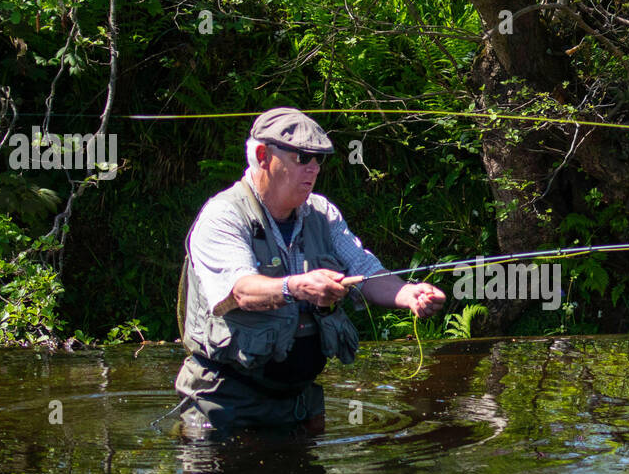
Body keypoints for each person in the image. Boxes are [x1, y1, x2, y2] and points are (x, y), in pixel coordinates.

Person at [175, 107, 445, 434]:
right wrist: (297, 287)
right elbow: (241, 290)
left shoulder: (323, 213)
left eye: (319, 159)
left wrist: (408, 294)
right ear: (263, 155)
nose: (314, 169)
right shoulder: (223, 216)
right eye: (303, 157)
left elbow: (364, 268)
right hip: (225, 402)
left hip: (300, 402)